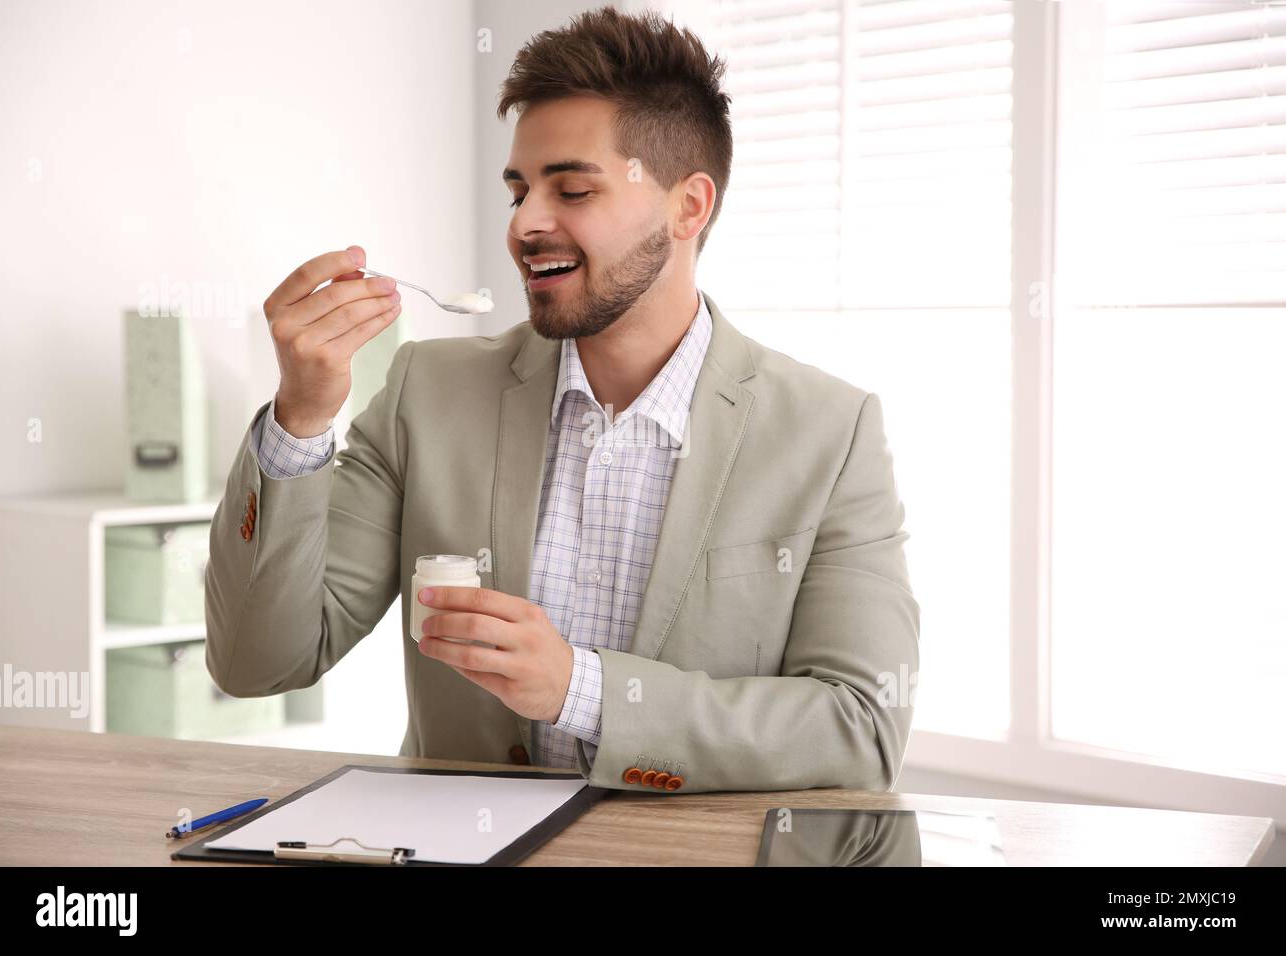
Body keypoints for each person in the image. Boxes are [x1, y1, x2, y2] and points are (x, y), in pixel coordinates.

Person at [205, 5, 918, 794]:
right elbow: (255, 661)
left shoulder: (831, 433)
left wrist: (581, 688)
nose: (525, 225)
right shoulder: (426, 393)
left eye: (572, 189)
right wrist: (300, 418)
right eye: (519, 191)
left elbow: (859, 730)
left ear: (689, 206)